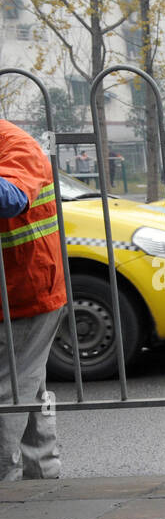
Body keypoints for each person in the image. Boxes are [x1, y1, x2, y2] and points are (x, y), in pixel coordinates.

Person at [0, 119, 67, 481]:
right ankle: (42, 472)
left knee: (9, 390)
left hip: (25, 295)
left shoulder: (15, 144)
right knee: (29, 384)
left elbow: (10, 199)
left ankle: (5, 483)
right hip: (18, 292)